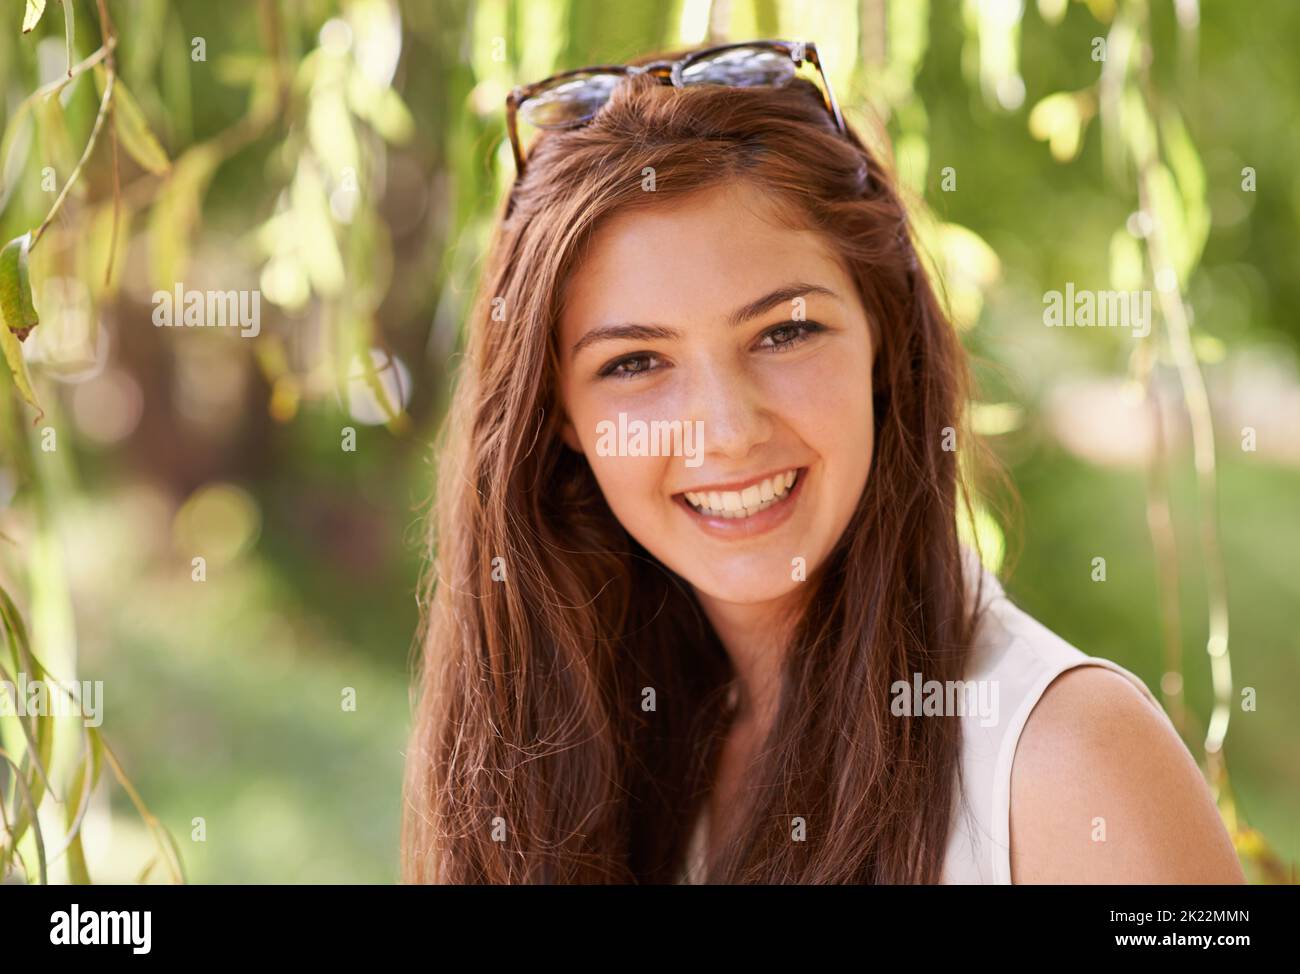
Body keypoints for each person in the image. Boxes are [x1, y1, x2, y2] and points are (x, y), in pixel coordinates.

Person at [402, 41, 1244, 884]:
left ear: (885, 340)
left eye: (786, 332)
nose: (726, 431)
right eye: (634, 363)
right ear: (559, 414)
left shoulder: (1074, 761)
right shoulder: (589, 748)